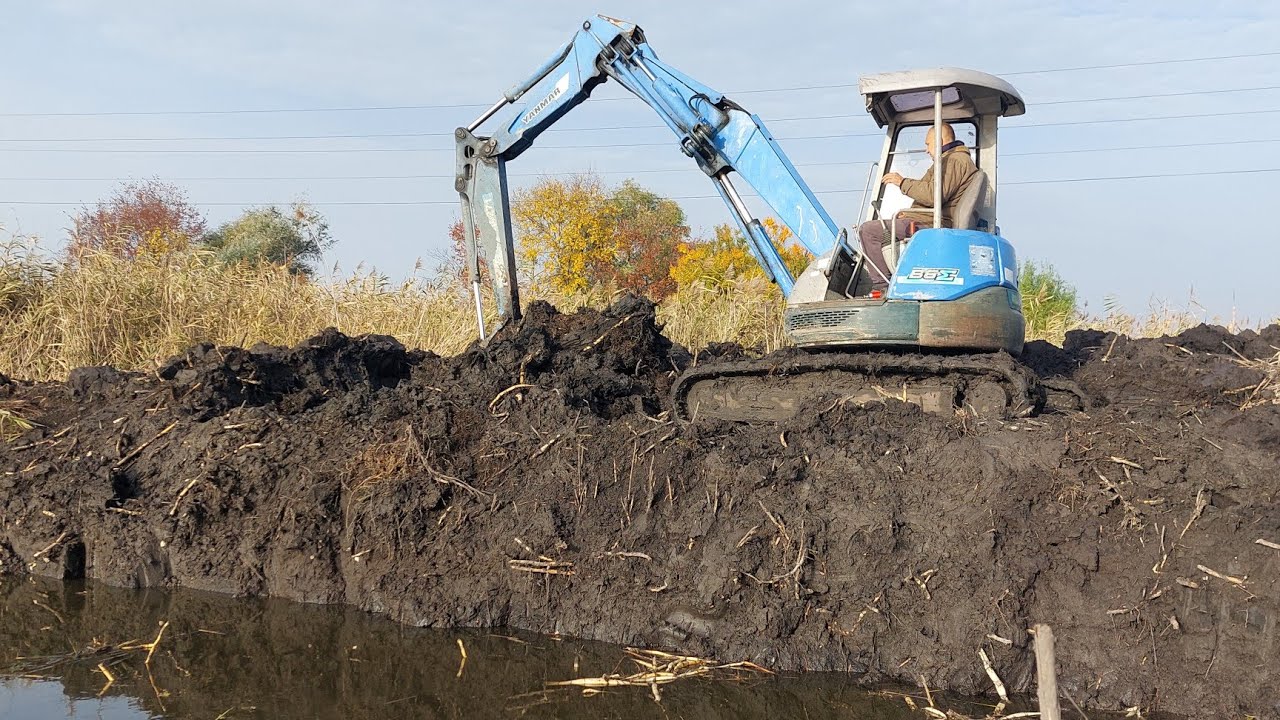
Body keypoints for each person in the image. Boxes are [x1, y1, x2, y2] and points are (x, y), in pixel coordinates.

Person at [857, 123, 979, 293]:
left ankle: (882, 288)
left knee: (868, 230)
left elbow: (933, 195)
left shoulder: (953, 161)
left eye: (928, 144)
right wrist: (907, 213)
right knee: (880, 228)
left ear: (939, 141)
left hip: (931, 224)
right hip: (927, 219)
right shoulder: (953, 160)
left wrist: (902, 182)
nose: (926, 150)